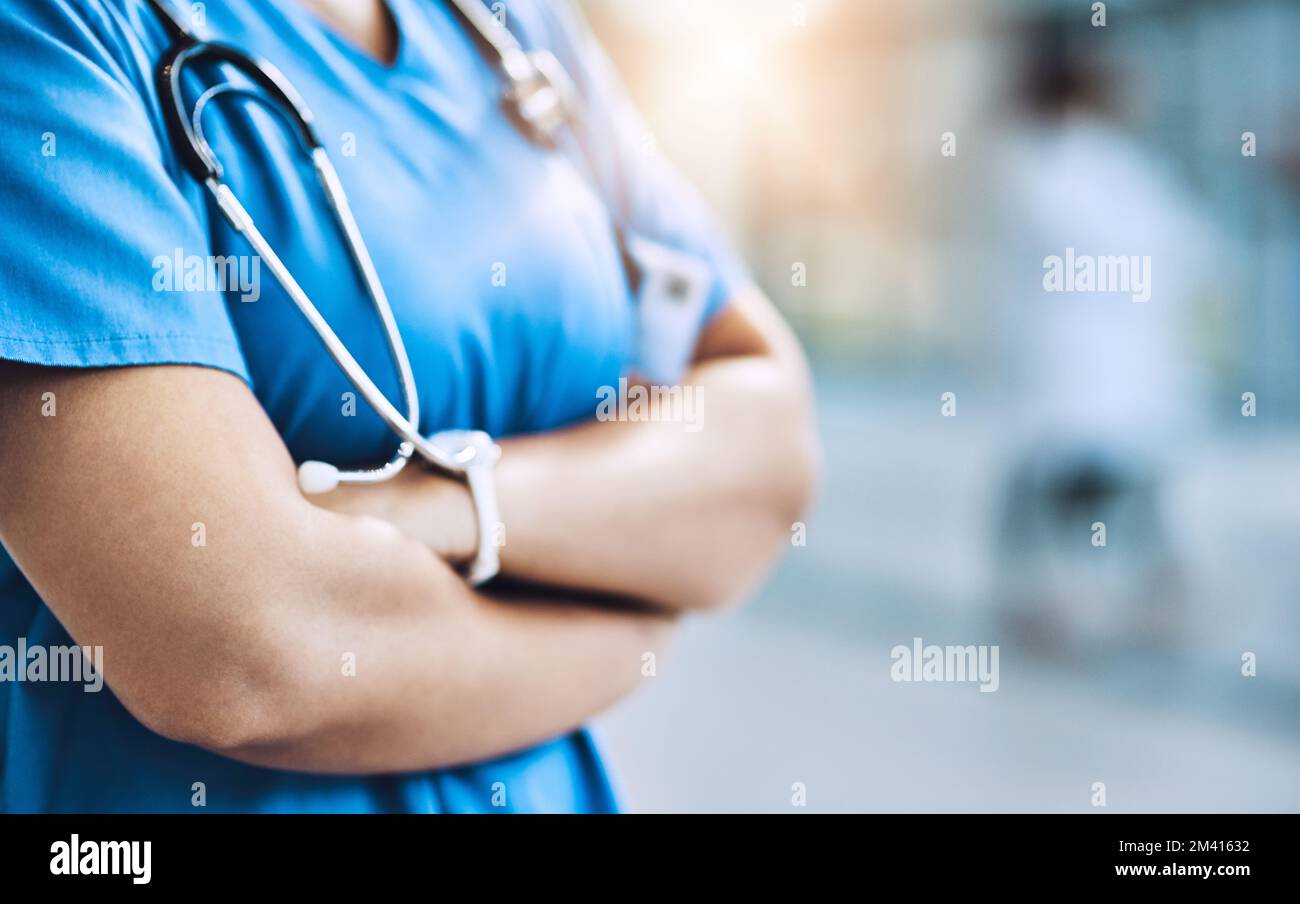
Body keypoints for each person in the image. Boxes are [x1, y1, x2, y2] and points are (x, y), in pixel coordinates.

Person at [0, 0, 817, 813]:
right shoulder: (50, 27)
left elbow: (768, 450)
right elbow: (240, 654)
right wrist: (626, 634)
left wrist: (450, 505)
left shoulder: (510, 23)